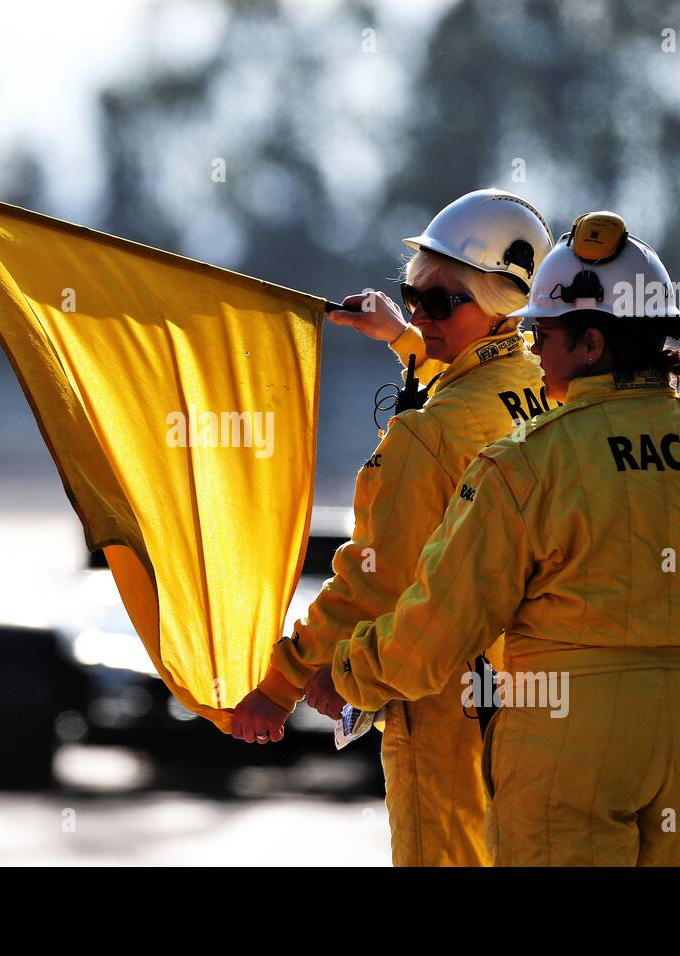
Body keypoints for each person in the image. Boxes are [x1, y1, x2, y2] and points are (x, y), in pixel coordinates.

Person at [318, 211, 680, 865]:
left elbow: (442, 623)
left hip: (571, 747)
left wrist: (353, 671)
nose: (532, 351)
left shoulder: (528, 462)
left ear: (589, 345)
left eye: (543, 335)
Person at [230, 188, 554, 866]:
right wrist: (405, 337)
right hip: (551, 698)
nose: (420, 314)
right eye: (412, 296)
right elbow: (475, 382)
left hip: (447, 711)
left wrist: (281, 683)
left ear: (499, 302)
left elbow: (372, 582)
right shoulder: (550, 387)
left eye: (441, 303)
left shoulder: (426, 436)